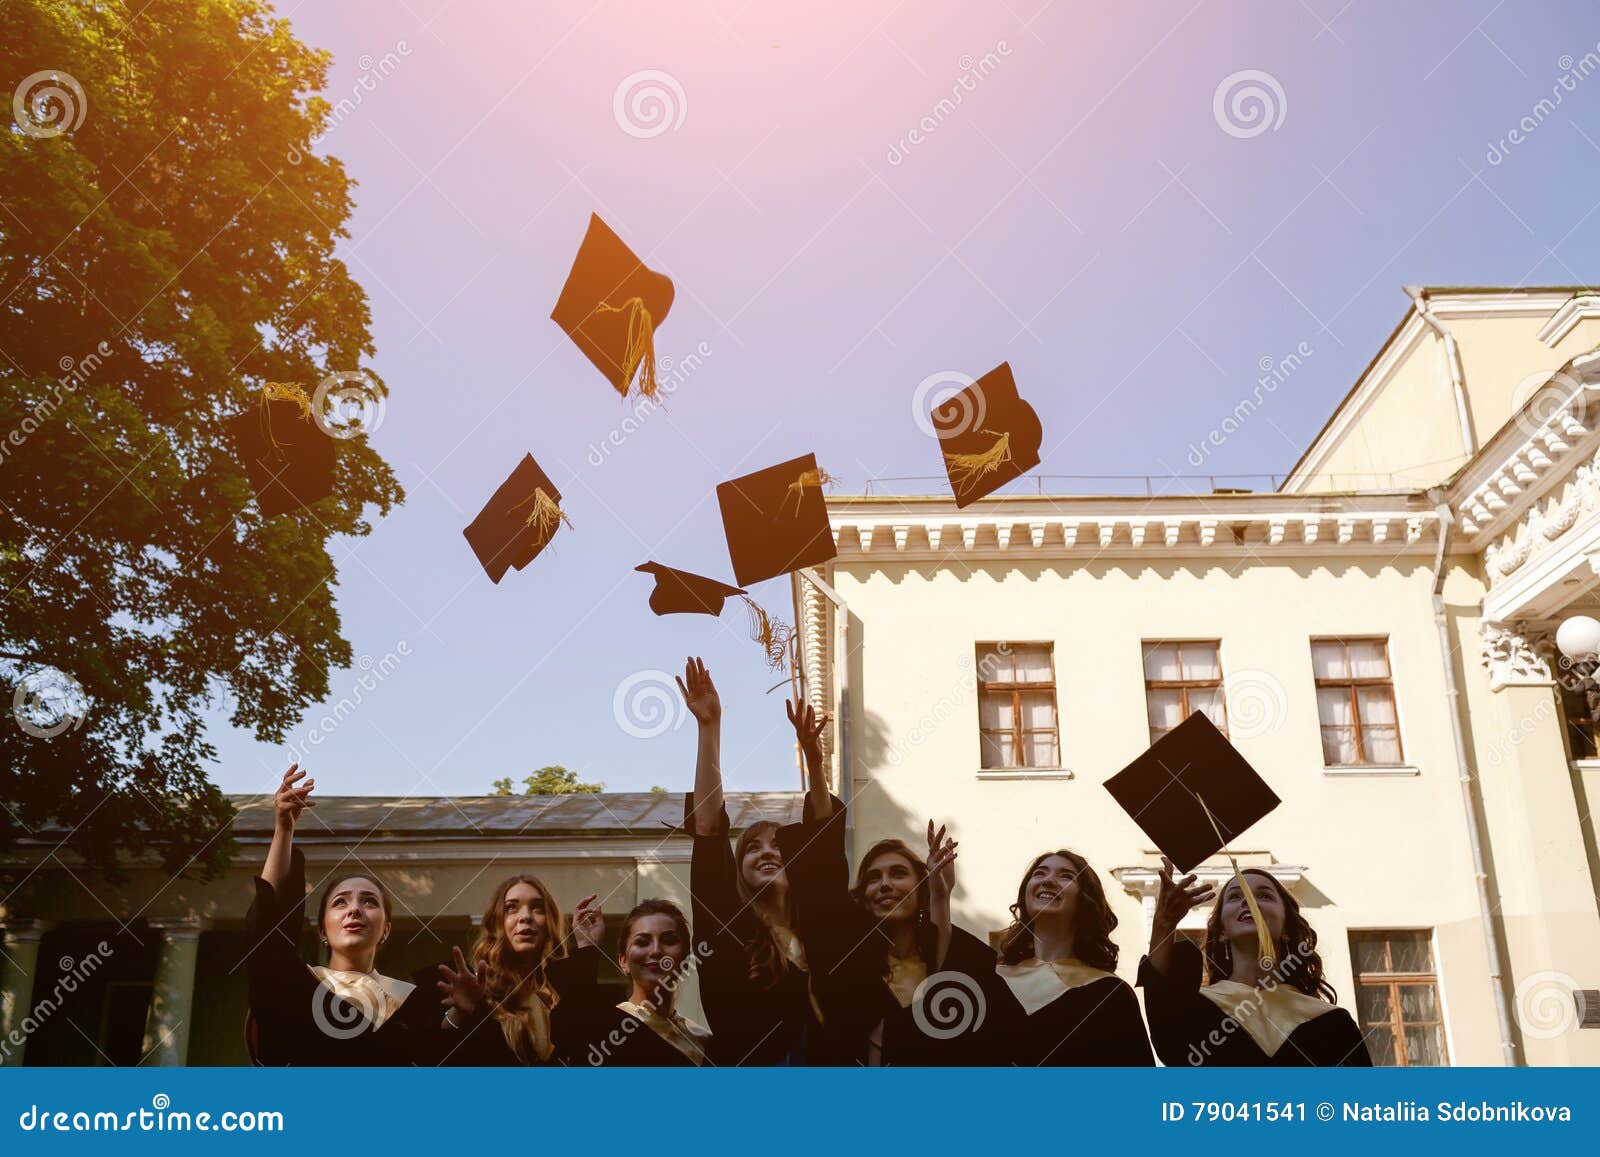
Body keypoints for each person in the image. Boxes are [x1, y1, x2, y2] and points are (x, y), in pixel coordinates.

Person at [245, 765, 470, 1065]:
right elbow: (265, 926)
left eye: (369, 902)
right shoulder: (293, 988)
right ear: (322, 930)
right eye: (340, 902)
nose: (354, 909)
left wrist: (462, 1013)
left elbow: (432, 1061)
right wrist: (283, 830)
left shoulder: (413, 1002)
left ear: (386, 929)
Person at [777, 762, 994, 1064]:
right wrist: (814, 761)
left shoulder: (955, 965)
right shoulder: (847, 960)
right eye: (873, 878)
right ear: (864, 898)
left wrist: (941, 897)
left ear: (920, 889)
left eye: (898, 873)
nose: (885, 884)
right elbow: (823, 863)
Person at [675, 656, 823, 1065]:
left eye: (778, 846)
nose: (768, 852)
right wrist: (710, 727)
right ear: (738, 870)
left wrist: (815, 764)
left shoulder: (818, 934)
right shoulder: (729, 928)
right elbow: (708, 829)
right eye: (753, 847)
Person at [1138, 859, 1372, 1067]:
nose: (1248, 902)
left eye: (1264, 896)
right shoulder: (1195, 1010)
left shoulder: (1332, 1023)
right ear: (1222, 932)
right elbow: (1168, 1045)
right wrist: (1164, 924)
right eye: (1235, 897)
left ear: (1286, 928)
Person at [987, 850, 1154, 1065]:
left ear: (1085, 900)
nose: (1048, 880)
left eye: (1066, 876)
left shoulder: (1110, 994)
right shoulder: (991, 982)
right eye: (1039, 873)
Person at [431, 875, 607, 1065]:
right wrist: (460, 1014)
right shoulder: (479, 990)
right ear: (497, 922)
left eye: (537, 907)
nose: (525, 917)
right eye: (511, 908)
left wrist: (587, 947)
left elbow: (592, 1048)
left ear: (549, 922)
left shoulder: (565, 989)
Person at [558, 898, 712, 1066]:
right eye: (642, 942)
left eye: (669, 941)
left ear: (686, 960)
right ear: (623, 962)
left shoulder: (702, 1041)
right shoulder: (603, 1028)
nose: (655, 951)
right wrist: (586, 946)